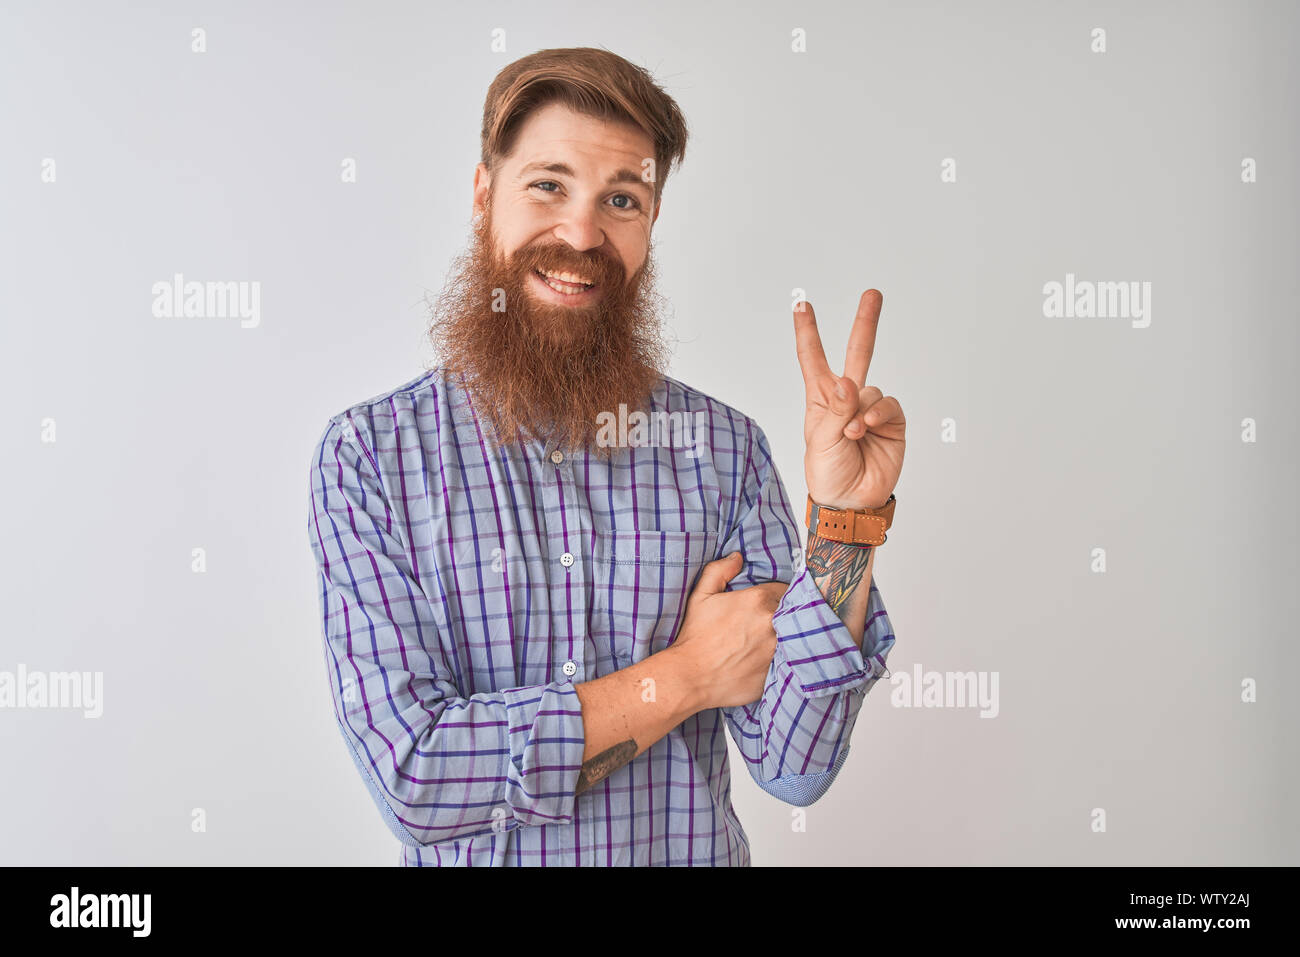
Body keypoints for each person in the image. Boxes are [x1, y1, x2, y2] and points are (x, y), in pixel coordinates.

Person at [307, 46, 906, 866]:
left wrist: (848, 523)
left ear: (650, 224)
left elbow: (794, 767)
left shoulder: (724, 452)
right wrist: (688, 675)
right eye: (548, 185)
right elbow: (418, 777)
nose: (581, 233)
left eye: (620, 199)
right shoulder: (370, 459)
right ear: (485, 197)